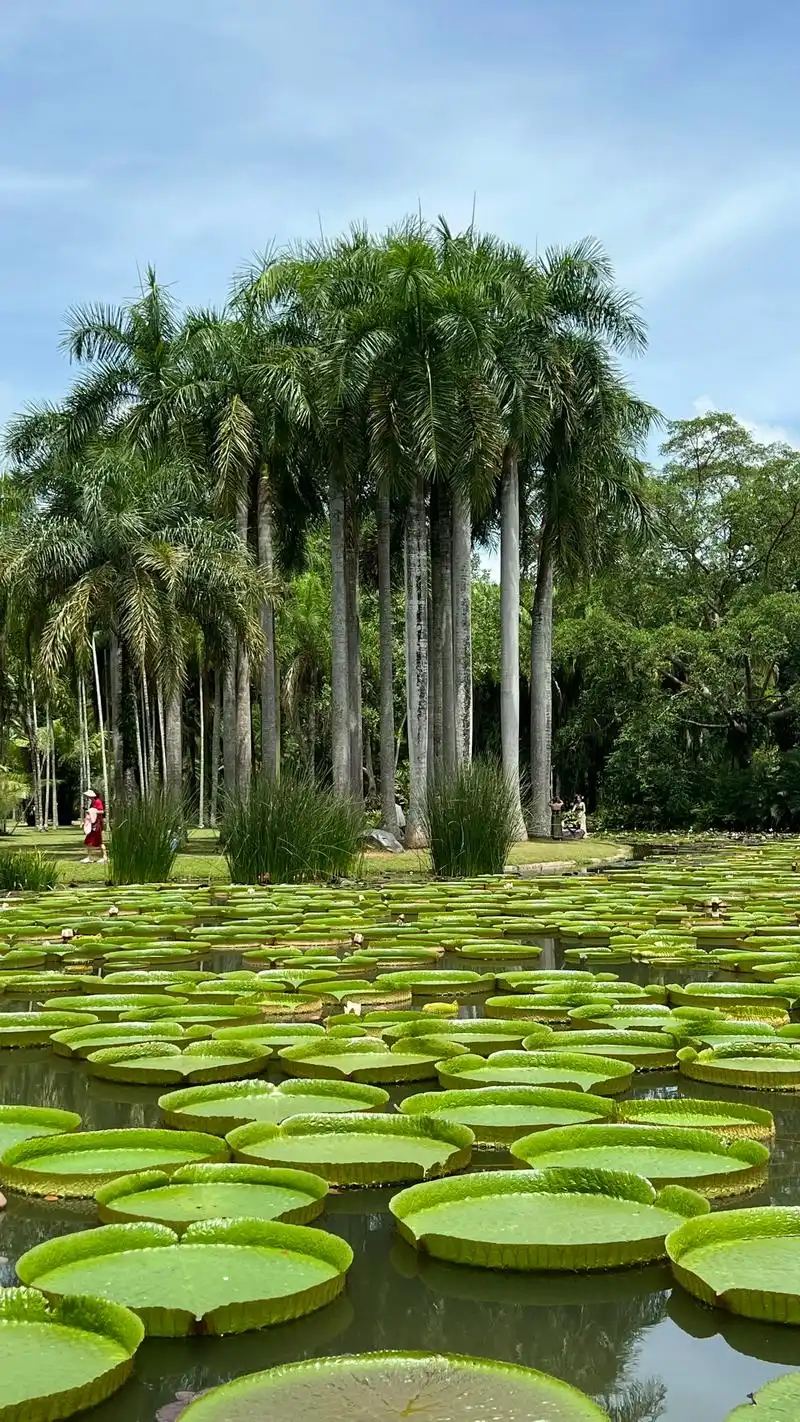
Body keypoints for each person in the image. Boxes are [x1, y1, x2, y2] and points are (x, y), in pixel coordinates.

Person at [81, 789, 106, 864]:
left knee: (93, 841)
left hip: (97, 824)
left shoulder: (98, 801)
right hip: (93, 824)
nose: (88, 797)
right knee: (91, 841)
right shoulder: (93, 802)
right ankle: (101, 857)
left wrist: (92, 811)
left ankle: (93, 858)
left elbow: (102, 811)